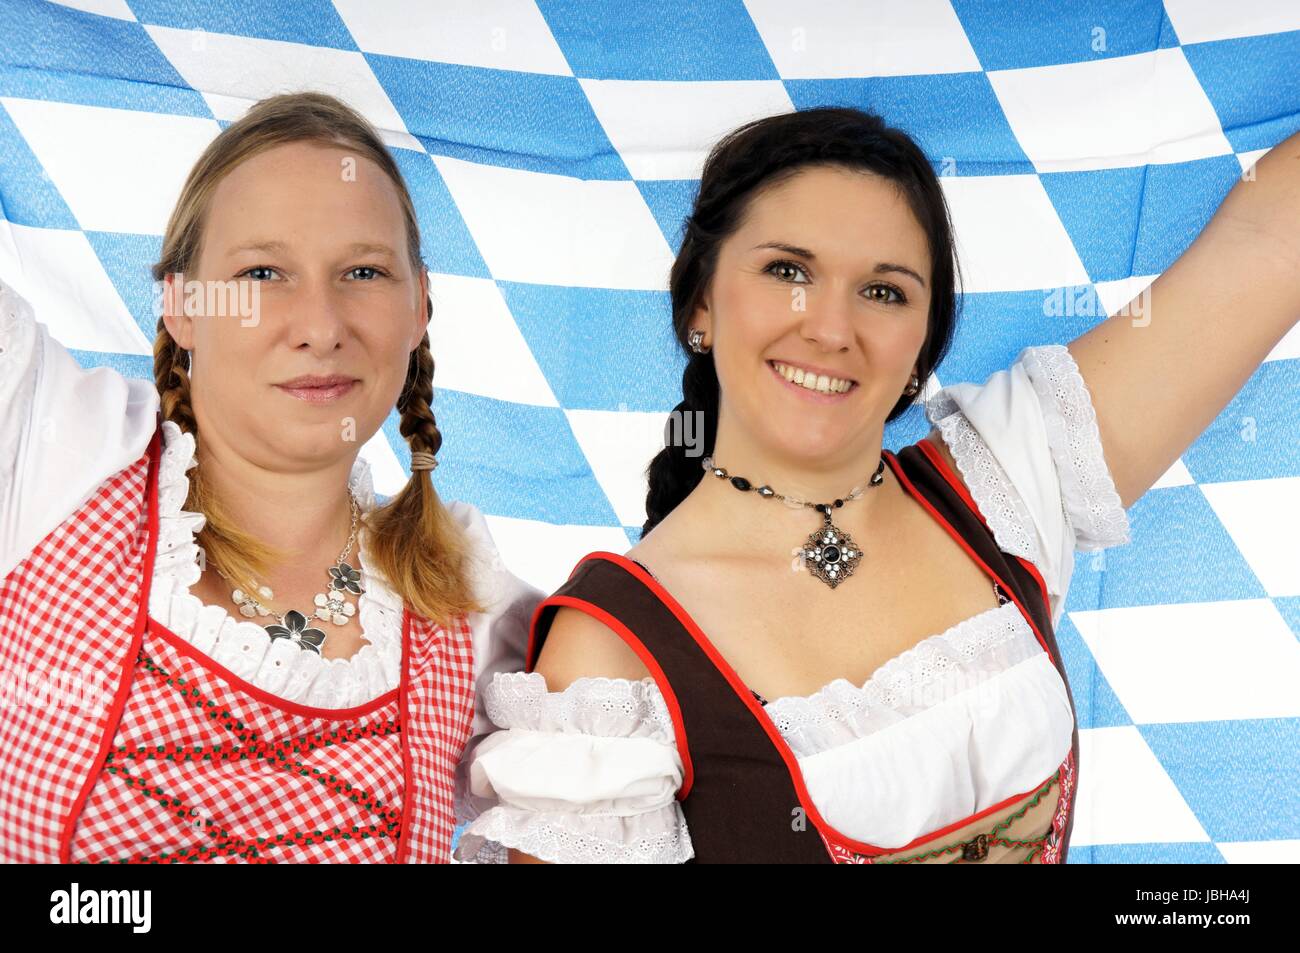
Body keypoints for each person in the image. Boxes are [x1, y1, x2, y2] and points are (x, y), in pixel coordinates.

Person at [453, 107, 1300, 863]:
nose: (830, 327)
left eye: (884, 291)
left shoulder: (1005, 484)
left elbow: (1267, 243)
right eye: (787, 270)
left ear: (921, 348)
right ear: (699, 306)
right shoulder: (614, 657)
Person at [0, 91, 544, 863]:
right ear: (181, 305)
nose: (321, 326)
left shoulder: (478, 620)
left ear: (422, 304)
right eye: (263, 273)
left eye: (363, 270)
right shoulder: (51, 449)